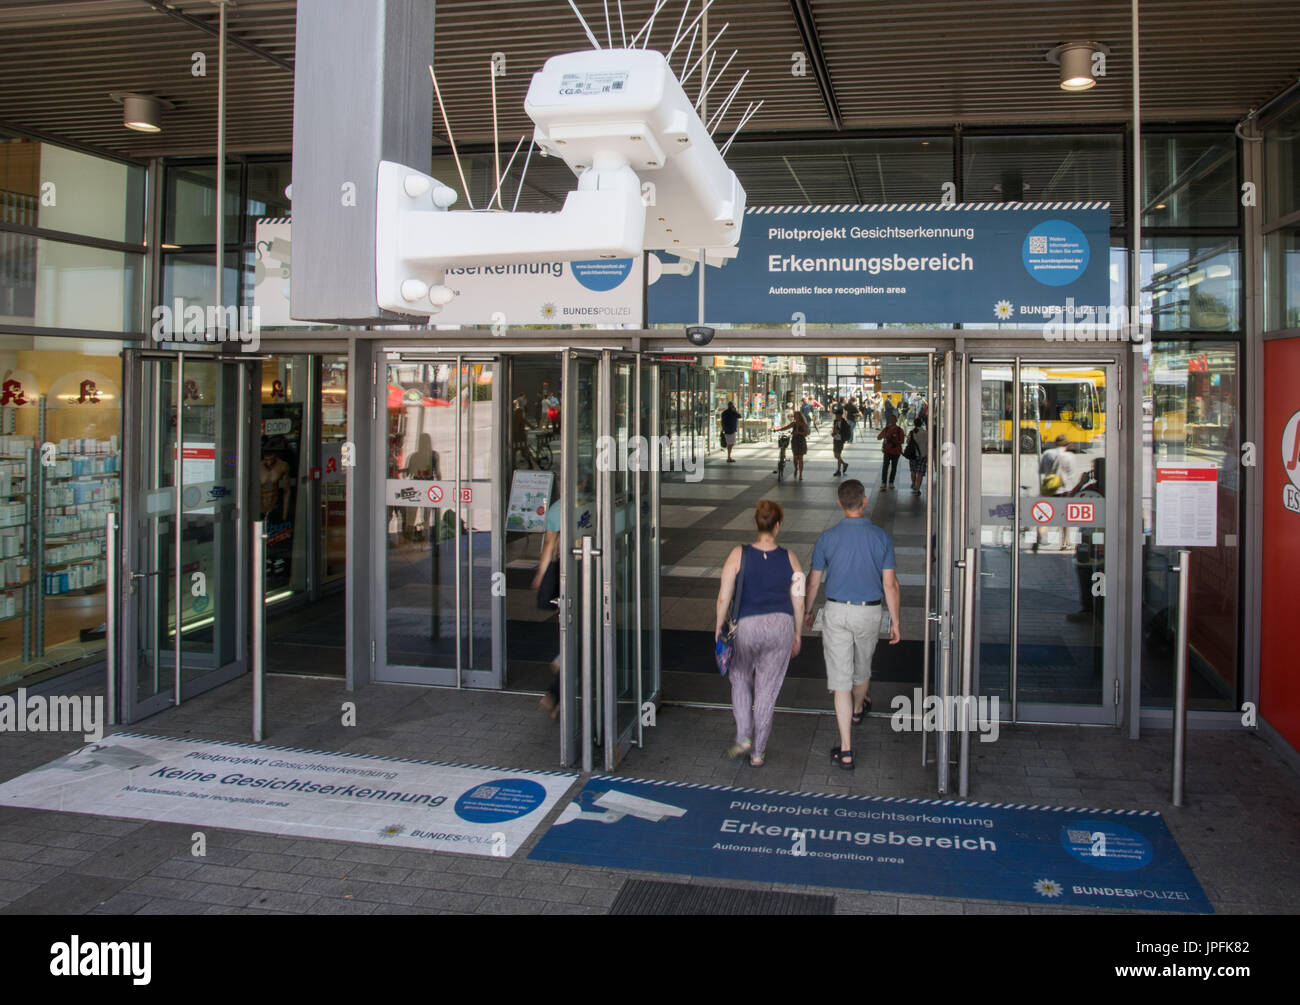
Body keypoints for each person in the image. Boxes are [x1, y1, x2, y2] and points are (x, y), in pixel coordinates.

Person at [802, 479, 901, 771]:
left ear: (839, 503)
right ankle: (859, 709)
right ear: (864, 501)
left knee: (840, 681)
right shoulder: (881, 537)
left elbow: (814, 579)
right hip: (869, 612)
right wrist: (895, 621)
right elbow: (890, 584)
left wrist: (808, 611)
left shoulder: (827, 538)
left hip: (835, 612)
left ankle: (846, 749)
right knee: (863, 667)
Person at [715, 500, 804, 767]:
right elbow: (798, 599)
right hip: (780, 627)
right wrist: (797, 633)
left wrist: (718, 627)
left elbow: (723, 596)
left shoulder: (737, 554)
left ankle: (744, 735)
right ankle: (758, 752)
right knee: (767, 690)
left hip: (746, 626)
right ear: (777, 526)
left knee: (740, 678)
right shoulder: (791, 558)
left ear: (757, 524)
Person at [530, 497, 564, 720]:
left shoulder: (556, 509)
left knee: (575, 629)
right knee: (582, 641)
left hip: (563, 572)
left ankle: (561, 662)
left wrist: (541, 576)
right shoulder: (588, 506)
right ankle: (555, 694)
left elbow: (549, 546)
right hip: (579, 573)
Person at [775, 407, 809, 480]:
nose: (795, 416)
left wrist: (798, 432)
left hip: (801, 441)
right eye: (794, 415)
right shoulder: (793, 423)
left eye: (796, 415)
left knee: (800, 458)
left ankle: (800, 474)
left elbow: (806, 433)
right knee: (795, 458)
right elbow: (786, 427)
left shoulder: (803, 424)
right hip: (795, 441)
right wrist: (778, 429)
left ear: (799, 416)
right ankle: (796, 468)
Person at [876, 413, 905, 488]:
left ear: (896, 420)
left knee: (894, 467)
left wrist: (894, 442)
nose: (892, 421)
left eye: (893, 419)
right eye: (891, 419)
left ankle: (891, 482)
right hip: (887, 451)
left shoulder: (899, 430)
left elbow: (902, 441)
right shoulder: (886, 429)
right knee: (885, 467)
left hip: (896, 451)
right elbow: (878, 437)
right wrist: (884, 436)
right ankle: (884, 482)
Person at [512, 396, 536, 469]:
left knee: (517, 450)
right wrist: (531, 426)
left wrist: (531, 426)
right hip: (520, 435)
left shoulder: (516, 411)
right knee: (522, 450)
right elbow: (523, 420)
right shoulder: (518, 411)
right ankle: (529, 464)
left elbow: (522, 420)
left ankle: (515, 465)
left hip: (517, 435)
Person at [906, 418, 928, 494]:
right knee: (920, 473)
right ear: (921, 423)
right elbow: (928, 443)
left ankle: (914, 484)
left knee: (913, 471)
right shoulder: (926, 432)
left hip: (913, 455)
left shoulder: (911, 432)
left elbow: (907, 441)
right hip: (923, 455)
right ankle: (917, 488)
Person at [831, 404, 851, 477]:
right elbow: (834, 429)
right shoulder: (835, 421)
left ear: (840, 415)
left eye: (838, 415)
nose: (836, 417)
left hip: (840, 440)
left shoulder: (844, 423)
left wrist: (838, 431)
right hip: (835, 439)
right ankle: (844, 464)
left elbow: (845, 432)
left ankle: (839, 470)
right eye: (836, 415)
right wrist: (834, 433)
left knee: (838, 455)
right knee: (836, 456)